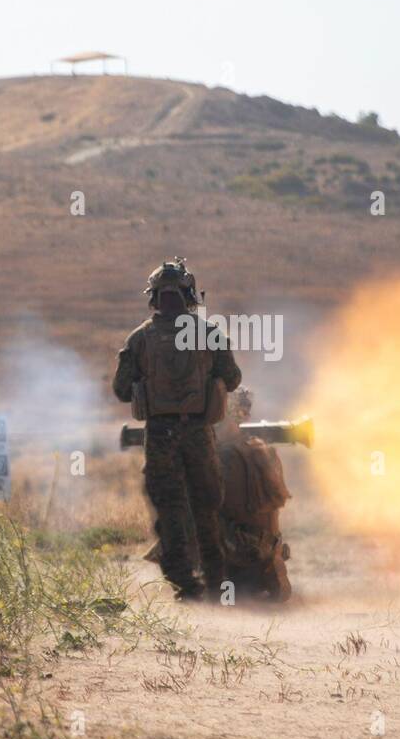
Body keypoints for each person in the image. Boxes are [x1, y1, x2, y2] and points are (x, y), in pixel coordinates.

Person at [112, 258, 241, 600]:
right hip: (199, 435)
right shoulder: (210, 334)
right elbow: (232, 378)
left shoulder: (139, 339)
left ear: (153, 298)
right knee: (207, 507)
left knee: (169, 509)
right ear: (189, 296)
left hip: (160, 437)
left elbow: (122, 389)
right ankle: (216, 582)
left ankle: (186, 584)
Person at [145, 387, 294, 602]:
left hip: (231, 566)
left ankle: (192, 589)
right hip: (262, 558)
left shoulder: (220, 459)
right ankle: (264, 577)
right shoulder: (264, 451)